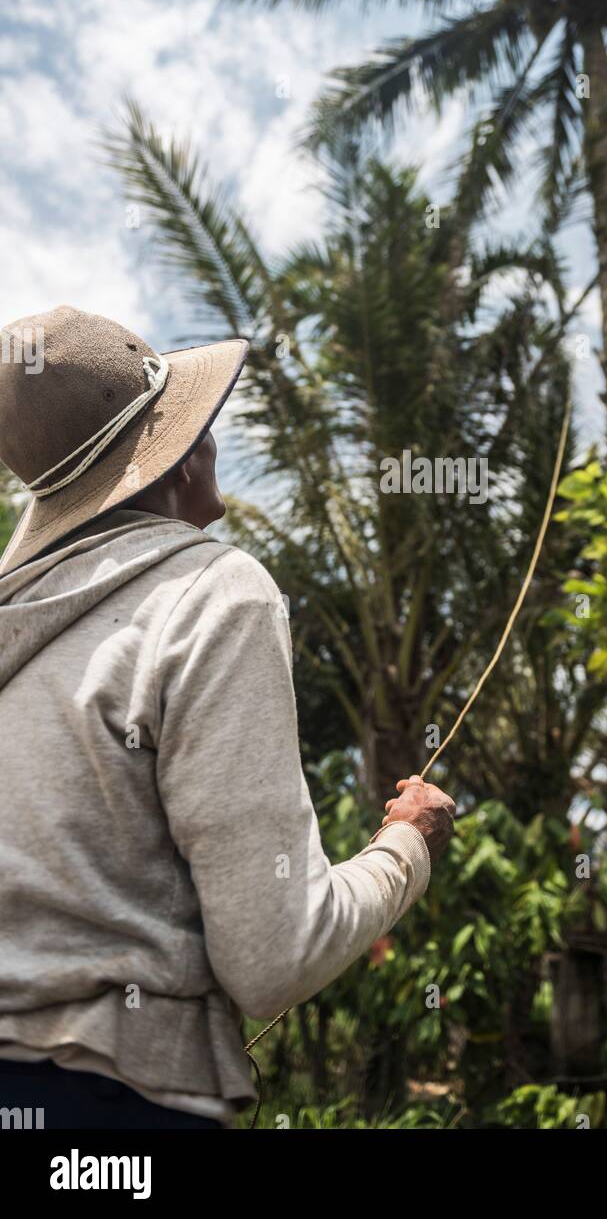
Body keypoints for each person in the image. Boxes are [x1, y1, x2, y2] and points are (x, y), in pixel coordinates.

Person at [0, 304, 455, 1130]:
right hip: (114, 1104)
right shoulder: (217, 591)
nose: (210, 439)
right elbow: (274, 958)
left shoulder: (19, 632)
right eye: (196, 421)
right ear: (173, 460)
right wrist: (407, 846)